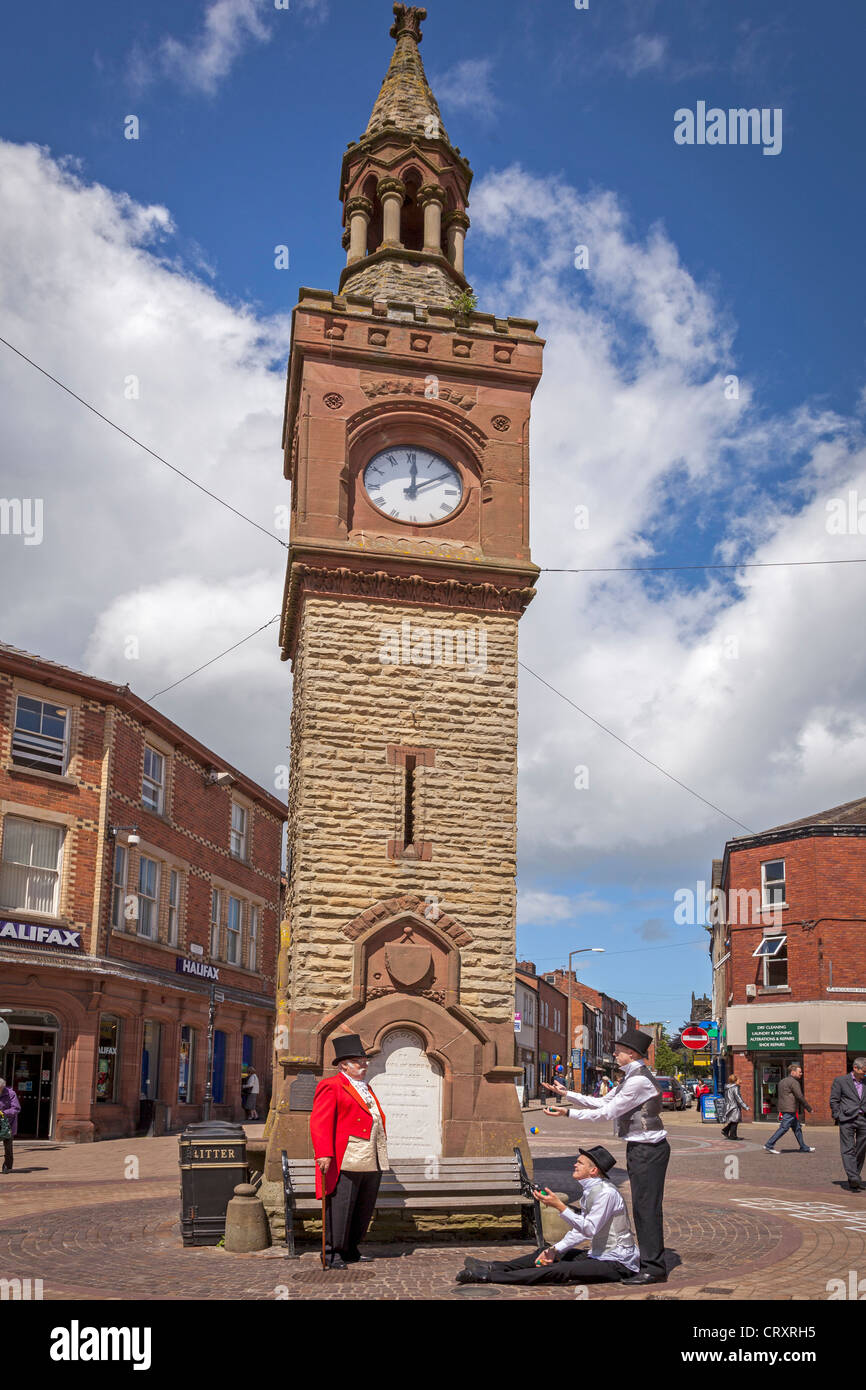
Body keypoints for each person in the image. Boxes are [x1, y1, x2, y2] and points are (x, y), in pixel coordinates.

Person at [542, 1026, 670, 1285]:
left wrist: (568, 1113)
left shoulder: (639, 1081)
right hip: (640, 1148)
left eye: (619, 1051)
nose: (615, 1054)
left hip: (649, 1149)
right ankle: (649, 1263)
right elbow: (601, 1102)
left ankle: (654, 1269)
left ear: (632, 1054)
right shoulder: (630, 1078)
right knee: (643, 1207)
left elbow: (606, 1113)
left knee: (647, 1209)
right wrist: (567, 1095)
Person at [455, 1146, 638, 1286]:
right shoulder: (592, 1191)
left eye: (580, 1163)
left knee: (559, 1270)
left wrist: (559, 1206)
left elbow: (589, 1229)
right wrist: (556, 1250)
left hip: (617, 1262)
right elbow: (580, 1231)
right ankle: (493, 1266)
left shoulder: (606, 1193)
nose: (575, 1164)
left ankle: (489, 1276)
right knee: (544, 1252)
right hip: (598, 1254)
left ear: (593, 1171)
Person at [310, 1034, 388, 1269]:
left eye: (365, 1061)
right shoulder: (331, 1086)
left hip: (371, 1156)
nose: (364, 1065)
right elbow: (319, 1121)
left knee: (363, 1206)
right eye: (358, 1062)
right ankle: (332, 1253)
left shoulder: (366, 1087)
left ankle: (352, 1249)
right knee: (341, 1206)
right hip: (345, 1156)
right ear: (344, 1065)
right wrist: (323, 1153)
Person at [829, 1057, 866, 1191]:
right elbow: (834, 1100)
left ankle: (853, 1177)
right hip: (847, 1118)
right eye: (863, 1072)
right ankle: (854, 1176)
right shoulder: (841, 1081)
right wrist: (838, 1115)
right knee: (848, 1148)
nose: (864, 1074)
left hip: (863, 1118)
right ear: (855, 1068)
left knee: (861, 1149)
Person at [763, 1064, 815, 1154]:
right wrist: (808, 1108)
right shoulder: (794, 1082)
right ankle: (769, 1144)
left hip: (785, 1108)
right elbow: (799, 1096)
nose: (801, 1073)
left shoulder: (782, 1081)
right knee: (784, 1128)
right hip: (790, 1109)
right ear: (793, 1072)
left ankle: (803, 1147)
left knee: (797, 1128)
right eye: (799, 1072)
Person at [720, 1074, 749, 1141]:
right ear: (735, 1081)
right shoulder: (735, 1087)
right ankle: (733, 1136)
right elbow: (738, 1098)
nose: (740, 1080)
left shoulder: (728, 1087)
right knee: (735, 1121)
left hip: (729, 1105)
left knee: (733, 1121)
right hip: (734, 1106)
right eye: (738, 1079)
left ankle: (726, 1131)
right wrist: (745, 1106)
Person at [0, 1077, 20, 1174]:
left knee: (8, 1146)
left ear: (3, 1087)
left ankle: (7, 1166)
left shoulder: (11, 1094)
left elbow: (16, 1108)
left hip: (8, 1124)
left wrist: (3, 1112)